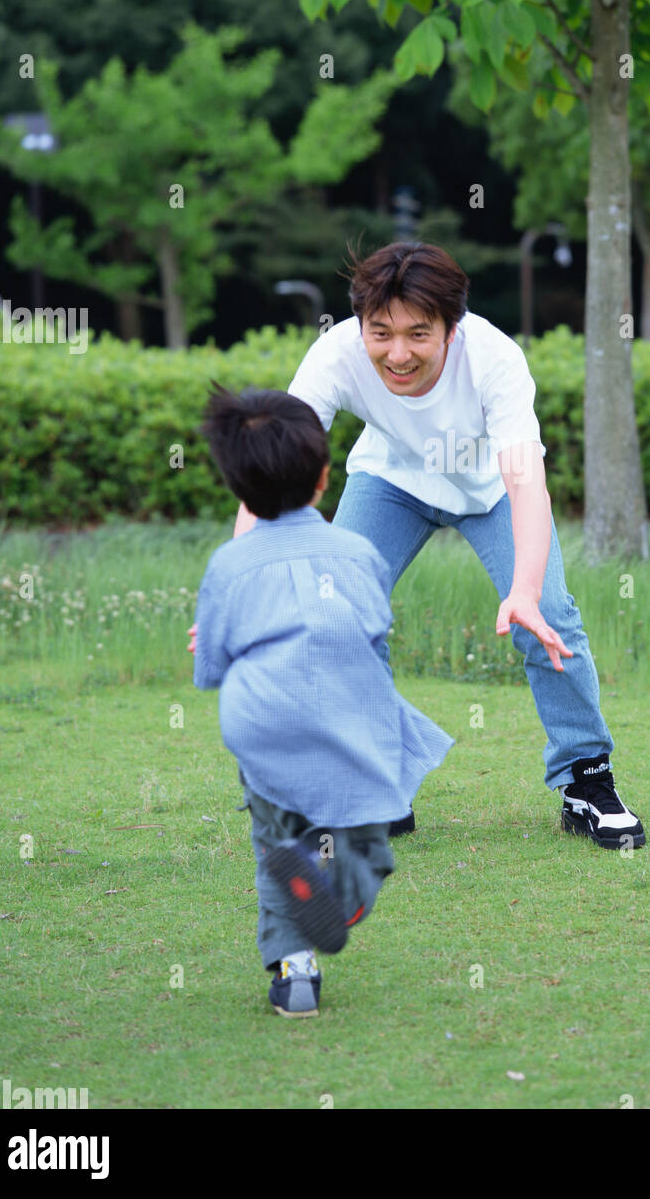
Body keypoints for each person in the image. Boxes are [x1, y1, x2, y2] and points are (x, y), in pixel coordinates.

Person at [233, 240, 645, 851]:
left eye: (418, 335)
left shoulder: (495, 358)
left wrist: (525, 592)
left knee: (549, 617)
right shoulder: (336, 354)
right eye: (381, 334)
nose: (397, 354)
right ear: (361, 326)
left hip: (490, 491)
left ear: (451, 328)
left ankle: (587, 780)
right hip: (390, 480)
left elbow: (526, 482)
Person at [191, 384, 454, 1018]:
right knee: (351, 831)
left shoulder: (229, 567)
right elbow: (371, 629)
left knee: (276, 842)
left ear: (237, 487)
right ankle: (347, 882)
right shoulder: (357, 552)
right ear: (324, 479)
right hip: (345, 726)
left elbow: (210, 667)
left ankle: (294, 973)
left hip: (264, 731)